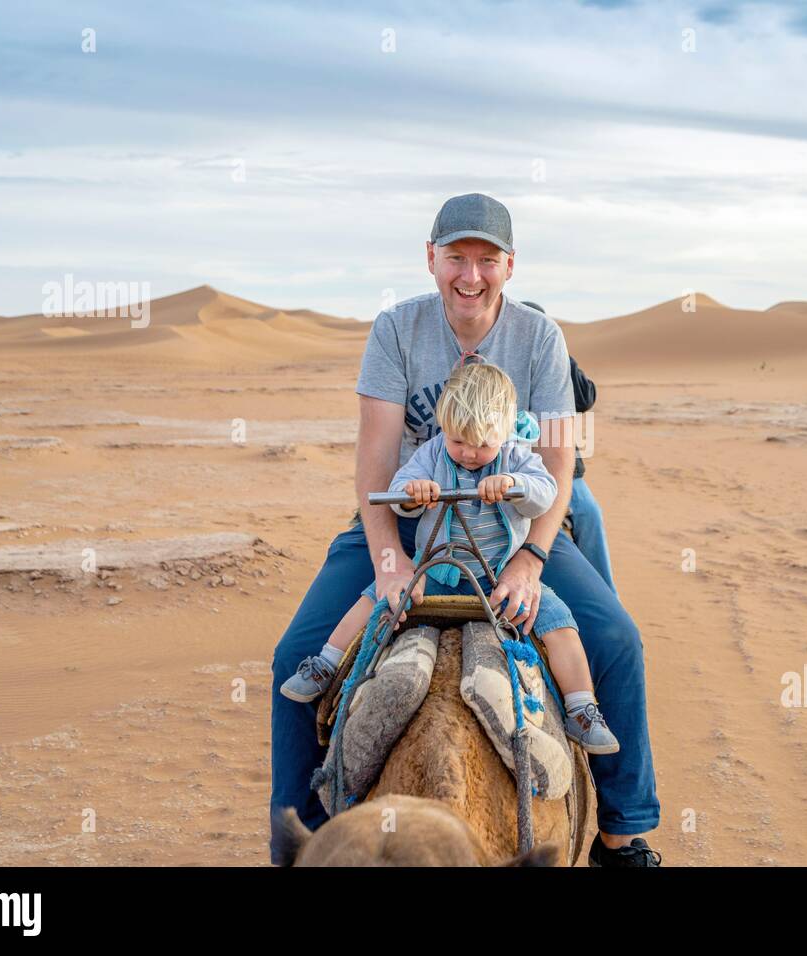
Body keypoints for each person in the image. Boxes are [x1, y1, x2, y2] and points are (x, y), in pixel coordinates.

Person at [270, 193, 661, 867]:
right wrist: (389, 557)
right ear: (432, 259)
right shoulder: (397, 330)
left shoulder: (542, 339)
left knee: (618, 641)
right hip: (409, 526)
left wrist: (533, 560)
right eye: (456, 258)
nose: (470, 276)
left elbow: (559, 461)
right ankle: (303, 846)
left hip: (512, 533)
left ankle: (623, 833)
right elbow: (375, 459)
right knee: (291, 656)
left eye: (486, 260)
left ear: (510, 266)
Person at [279, 360, 619, 754]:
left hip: (498, 578)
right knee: (377, 597)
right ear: (443, 426)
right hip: (438, 568)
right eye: (459, 441)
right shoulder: (433, 452)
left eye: (483, 444)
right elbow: (400, 490)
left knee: (559, 622)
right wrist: (414, 492)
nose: (470, 453)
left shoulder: (516, 455)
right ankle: (326, 663)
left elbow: (545, 491)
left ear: (506, 431)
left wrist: (513, 484)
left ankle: (582, 708)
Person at [518, 301, 618, 597]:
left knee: (588, 514)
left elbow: (586, 398)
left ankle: (606, 594)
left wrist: (562, 355)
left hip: (563, 469)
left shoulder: (555, 359)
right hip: (515, 465)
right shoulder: (506, 360)